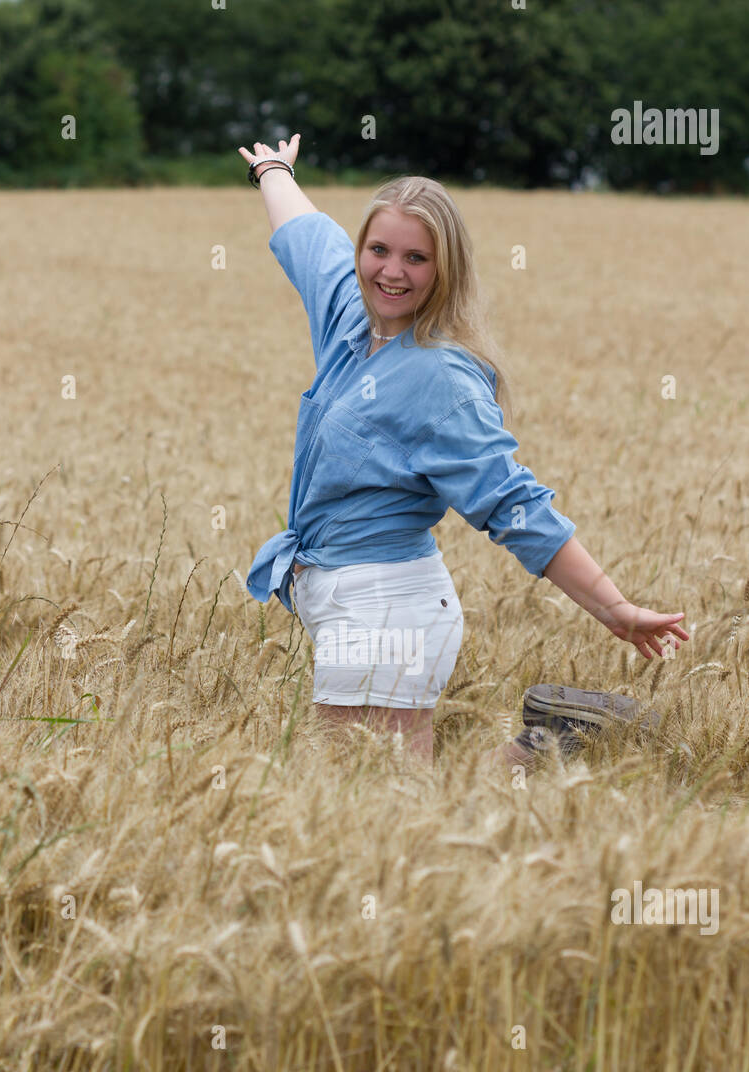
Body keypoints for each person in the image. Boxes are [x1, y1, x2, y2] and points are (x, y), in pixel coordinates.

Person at [238, 134, 689, 773]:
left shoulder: (442, 379)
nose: (391, 271)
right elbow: (308, 239)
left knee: (363, 805)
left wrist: (612, 607)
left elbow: (515, 504)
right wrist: (274, 170)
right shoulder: (349, 319)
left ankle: (559, 751)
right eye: (379, 250)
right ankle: (555, 748)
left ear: (445, 267)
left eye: (416, 258)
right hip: (343, 598)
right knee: (391, 806)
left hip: (383, 607)